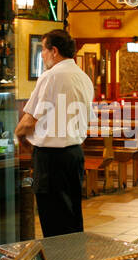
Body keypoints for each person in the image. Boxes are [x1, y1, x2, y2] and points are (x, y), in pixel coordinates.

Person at [15, 29, 95, 237]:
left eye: (43, 49)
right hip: (75, 155)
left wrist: (18, 135)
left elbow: (30, 119)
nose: (42, 54)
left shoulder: (50, 77)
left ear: (54, 51)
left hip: (51, 158)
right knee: (72, 215)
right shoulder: (83, 77)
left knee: (52, 218)